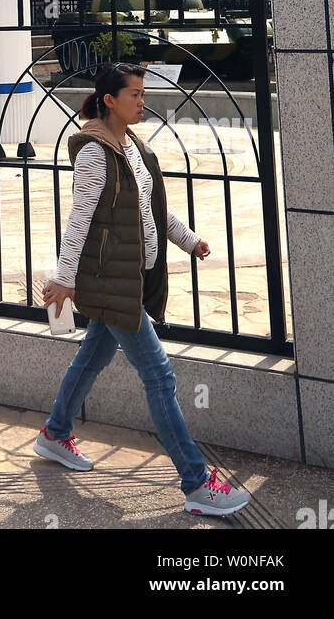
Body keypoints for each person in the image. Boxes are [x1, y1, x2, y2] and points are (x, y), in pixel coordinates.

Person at [34, 61, 251, 517]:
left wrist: (189, 240)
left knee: (92, 355)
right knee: (160, 374)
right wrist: (64, 278)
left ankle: (55, 433)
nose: (142, 100)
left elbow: (151, 210)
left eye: (143, 92)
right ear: (110, 100)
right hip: (111, 282)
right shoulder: (96, 151)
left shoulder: (132, 144)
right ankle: (196, 483)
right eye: (134, 93)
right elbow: (79, 219)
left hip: (131, 277)